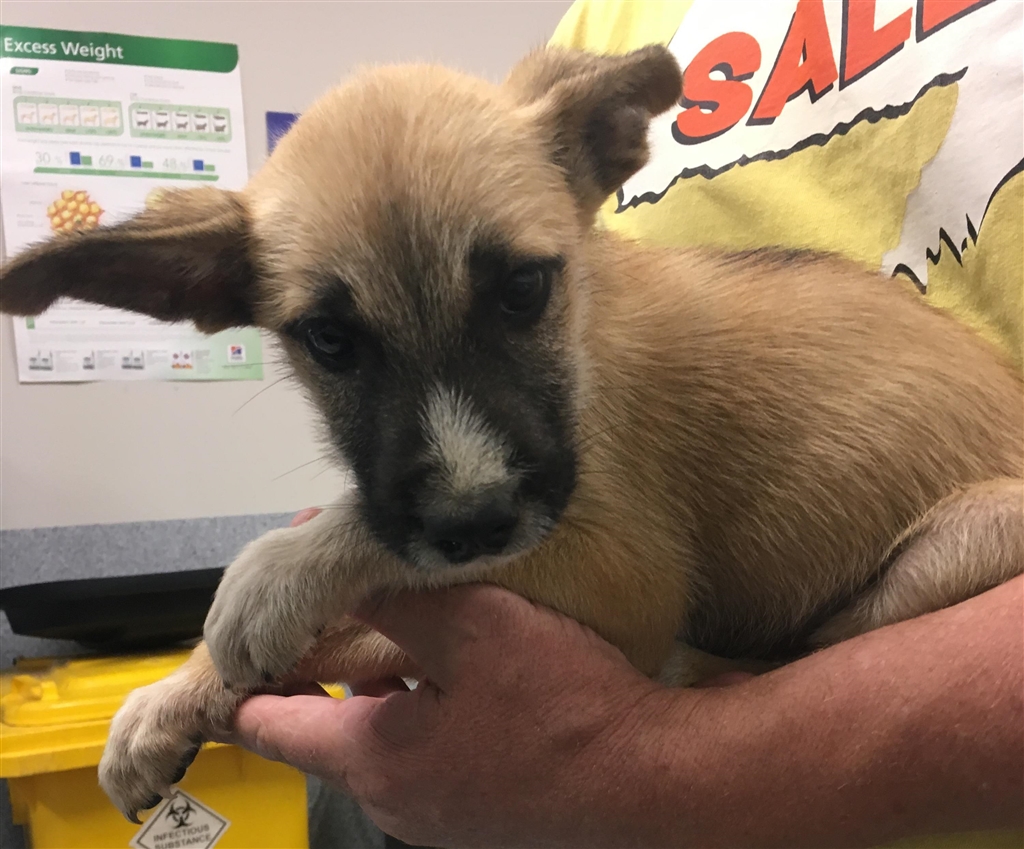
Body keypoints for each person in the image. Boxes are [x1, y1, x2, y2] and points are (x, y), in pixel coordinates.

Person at [223, 1, 1024, 845]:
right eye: (335, 340)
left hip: (948, 535)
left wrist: (668, 762)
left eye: (522, 294)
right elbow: (528, 598)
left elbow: (618, 610)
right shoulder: (602, 23)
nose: (468, 468)